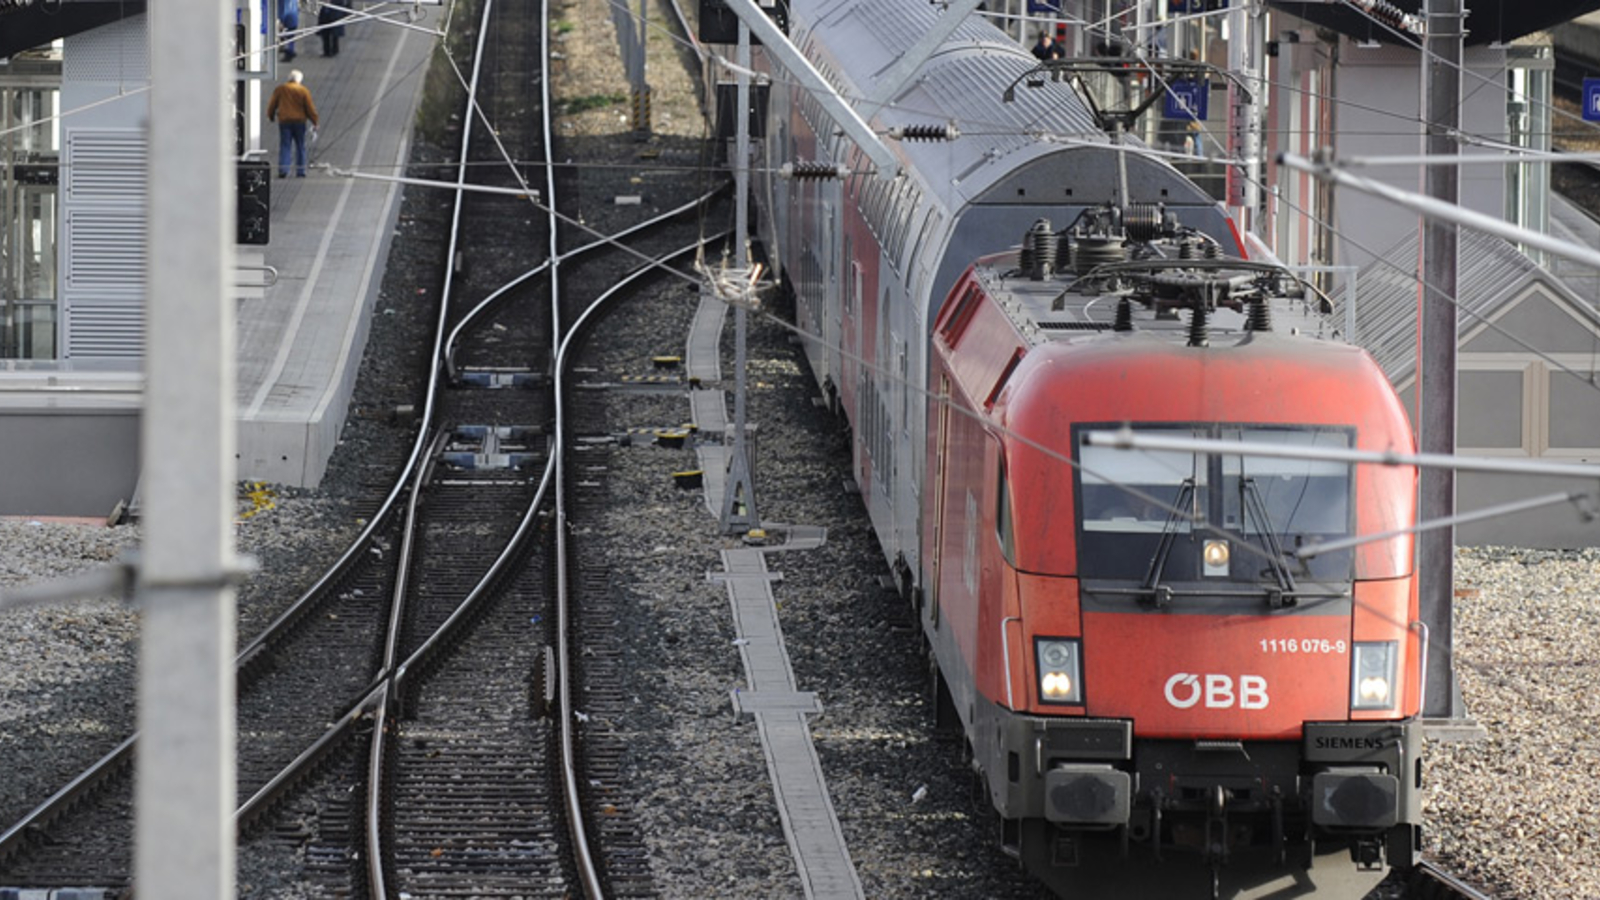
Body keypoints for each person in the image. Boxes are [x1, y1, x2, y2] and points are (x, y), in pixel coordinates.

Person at [267, 70, 319, 178]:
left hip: (284, 121)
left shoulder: (280, 89)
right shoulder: (303, 90)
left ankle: (283, 170)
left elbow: (272, 104)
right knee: (300, 146)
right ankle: (301, 171)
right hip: (299, 121)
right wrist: (315, 121)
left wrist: (271, 115)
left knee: (285, 145)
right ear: (299, 80)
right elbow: (309, 108)